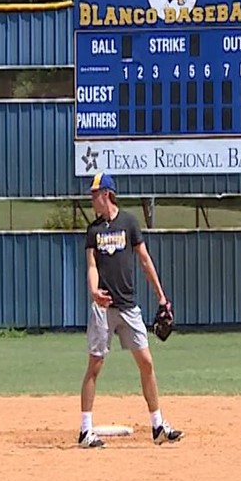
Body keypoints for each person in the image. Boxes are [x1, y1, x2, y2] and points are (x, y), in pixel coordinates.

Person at [78, 172, 183, 449]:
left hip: (128, 306)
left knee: (146, 362)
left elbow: (145, 261)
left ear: (107, 194)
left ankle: (158, 425)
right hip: (103, 308)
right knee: (95, 365)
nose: (92, 198)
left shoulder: (129, 223)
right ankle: (85, 430)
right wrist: (93, 291)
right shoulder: (93, 231)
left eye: (95, 193)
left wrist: (161, 297)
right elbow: (91, 266)